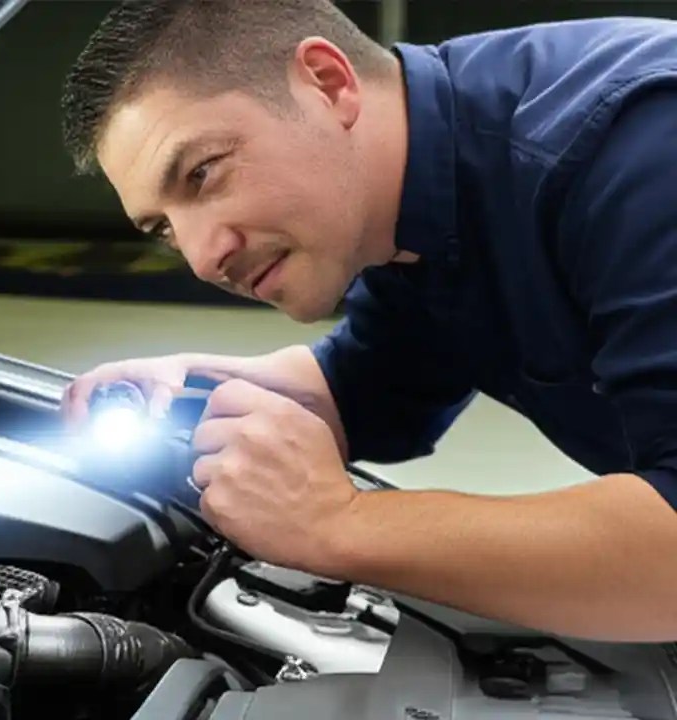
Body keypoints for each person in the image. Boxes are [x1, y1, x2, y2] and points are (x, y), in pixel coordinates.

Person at [57, 0, 677, 643]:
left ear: (328, 83)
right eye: (163, 228)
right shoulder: (403, 209)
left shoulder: (638, 147)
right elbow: (367, 389)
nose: (201, 257)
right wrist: (199, 393)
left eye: (204, 173)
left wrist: (340, 522)